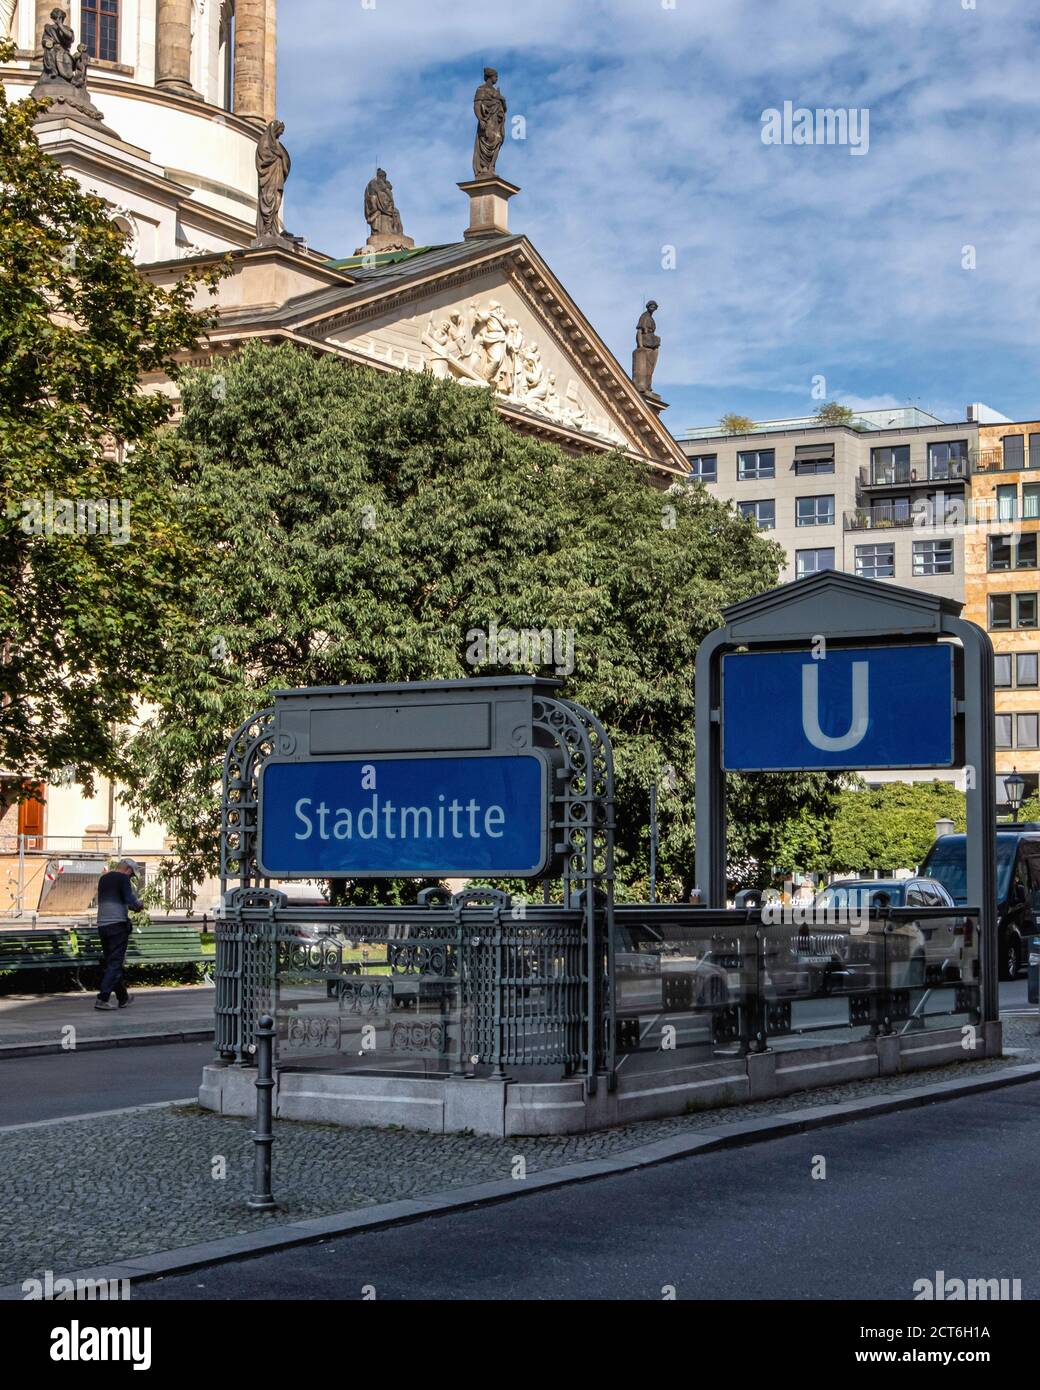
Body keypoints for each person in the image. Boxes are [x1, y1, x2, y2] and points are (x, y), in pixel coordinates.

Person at [94, 859, 142, 1010]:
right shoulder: (122, 878)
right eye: (131, 874)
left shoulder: (104, 878)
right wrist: (138, 905)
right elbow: (129, 900)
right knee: (115, 963)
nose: (131, 877)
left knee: (112, 963)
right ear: (128, 869)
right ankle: (102, 998)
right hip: (117, 926)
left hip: (103, 925)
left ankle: (123, 998)